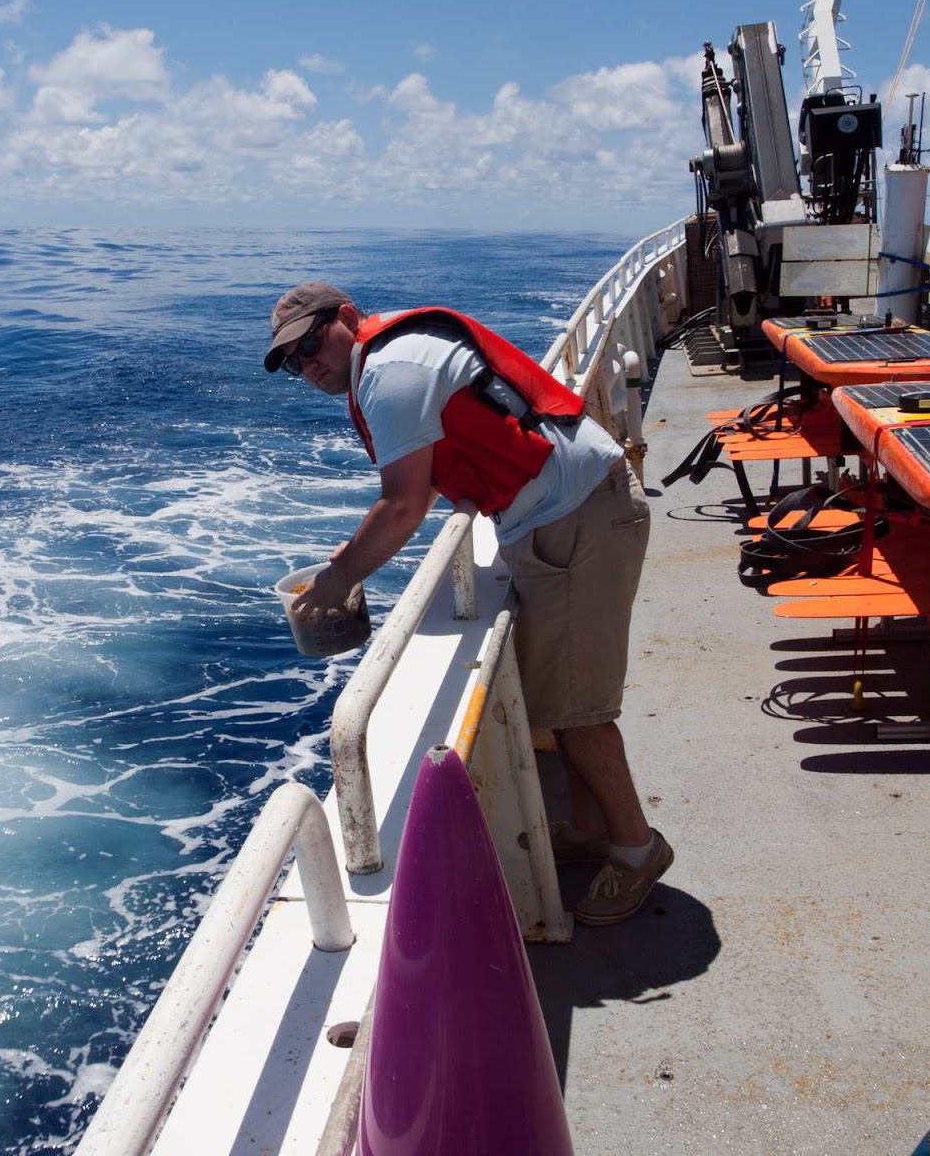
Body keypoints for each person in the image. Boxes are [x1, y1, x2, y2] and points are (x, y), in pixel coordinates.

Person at [264, 281, 670, 926]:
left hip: (577, 518)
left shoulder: (392, 374)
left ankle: (637, 847)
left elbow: (403, 503)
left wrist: (336, 582)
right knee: (562, 697)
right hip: (563, 512)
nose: (307, 362)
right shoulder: (397, 353)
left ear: (347, 318)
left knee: (581, 708)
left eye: (312, 342)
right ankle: (594, 829)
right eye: (291, 359)